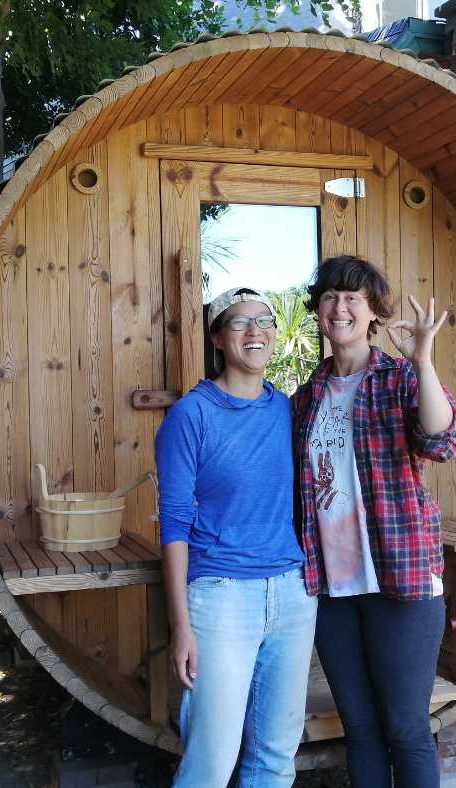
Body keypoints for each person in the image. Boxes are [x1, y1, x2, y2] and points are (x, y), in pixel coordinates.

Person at [291, 256, 456, 788]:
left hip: (401, 579)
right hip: (332, 587)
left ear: (373, 312)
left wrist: (423, 361)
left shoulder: (399, 378)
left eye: (353, 297)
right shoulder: (307, 397)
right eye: (329, 297)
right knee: (361, 728)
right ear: (318, 311)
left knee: (406, 727)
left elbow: (446, 440)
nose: (339, 307)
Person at [155, 287, 317, 788]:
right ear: (218, 339)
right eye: (240, 322)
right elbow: (173, 525)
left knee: (276, 754)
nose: (255, 331)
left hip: (292, 593)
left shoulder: (286, 410)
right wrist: (181, 627)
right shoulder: (191, 415)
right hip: (221, 597)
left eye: (264, 321)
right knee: (212, 759)